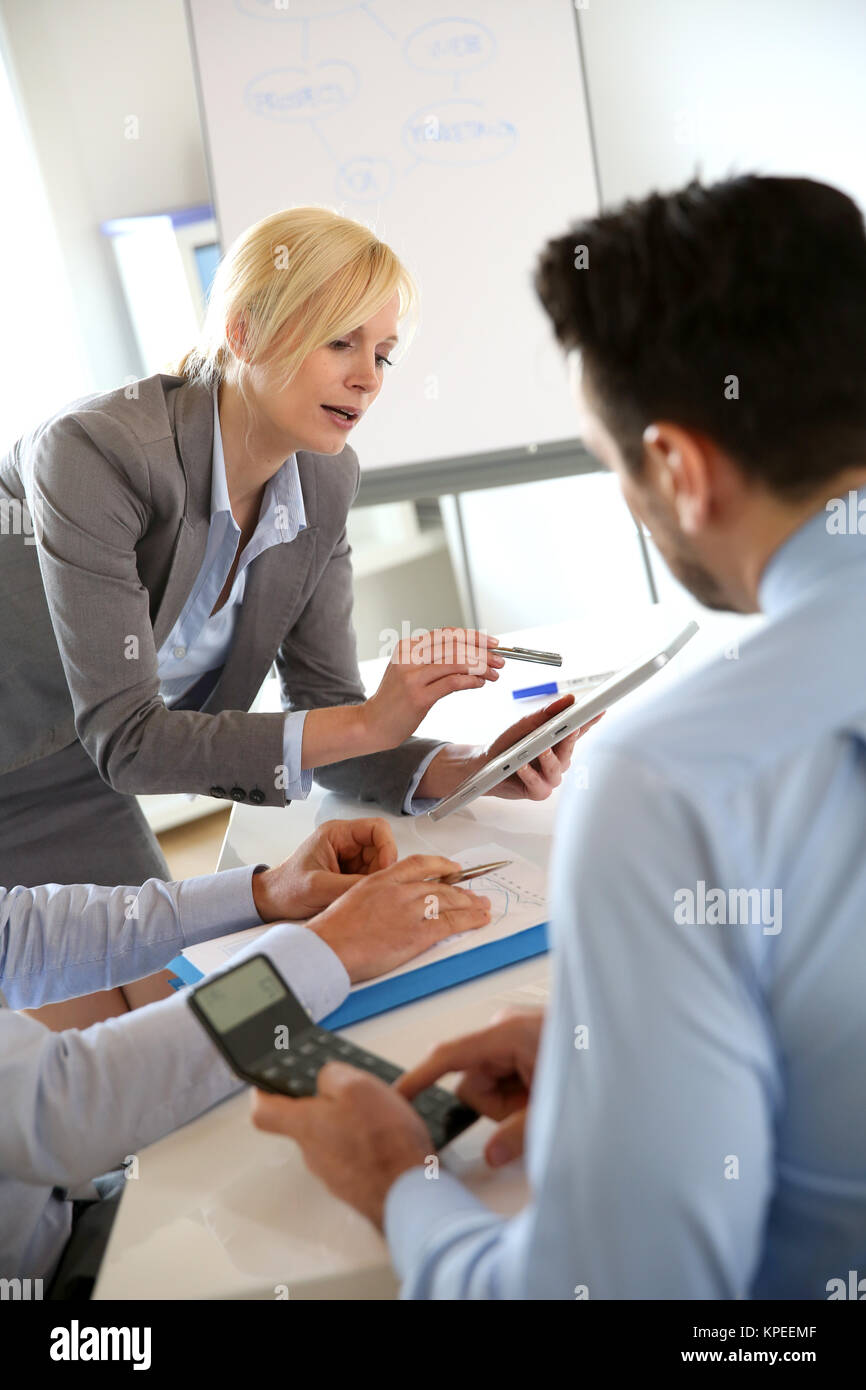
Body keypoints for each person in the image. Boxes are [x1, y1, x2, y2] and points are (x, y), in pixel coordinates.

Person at [251, 174, 866, 1299]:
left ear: (675, 468)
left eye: (609, 458)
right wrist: (641, 1055)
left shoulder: (675, 780)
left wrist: (398, 1177)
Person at [0, 205, 577, 1027]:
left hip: (86, 780)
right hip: (41, 756)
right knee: (81, 1067)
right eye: (340, 342)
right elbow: (131, 738)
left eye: (382, 352)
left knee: (177, 1023)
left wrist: (462, 765)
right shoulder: (95, 452)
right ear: (243, 332)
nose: (369, 376)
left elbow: (329, 712)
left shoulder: (324, 482)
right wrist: (374, 720)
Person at [0, 816, 492, 1296]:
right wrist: (331, 946)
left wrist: (265, 892)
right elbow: (63, 1102)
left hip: (68, 1207)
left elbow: (14, 932)